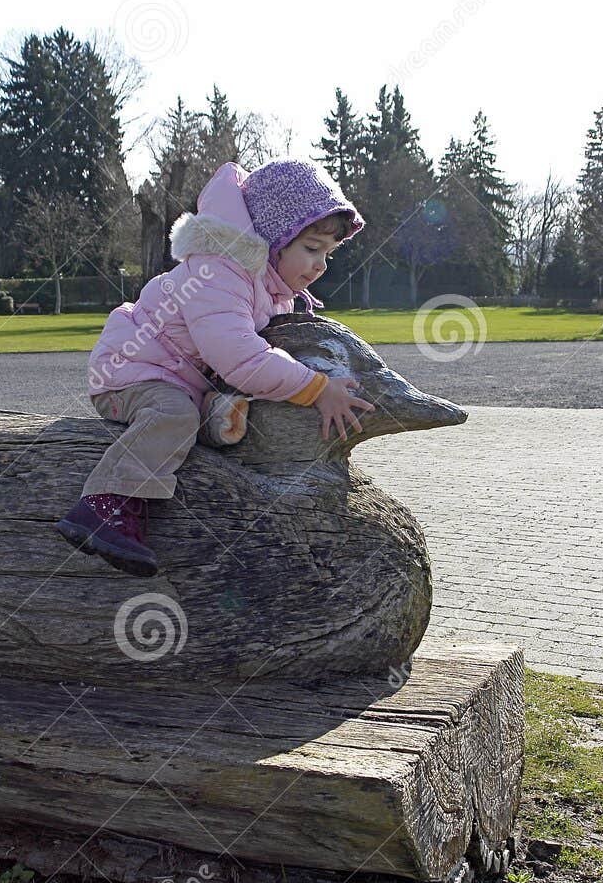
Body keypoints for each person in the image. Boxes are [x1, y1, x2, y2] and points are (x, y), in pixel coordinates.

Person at [56, 159, 375, 577]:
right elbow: (239, 357)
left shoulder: (271, 290)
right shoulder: (219, 273)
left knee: (224, 416)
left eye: (328, 254)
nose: (320, 265)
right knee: (173, 414)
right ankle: (105, 504)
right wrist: (316, 388)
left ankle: (211, 430)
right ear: (272, 240)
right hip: (132, 370)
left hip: (183, 376)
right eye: (311, 249)